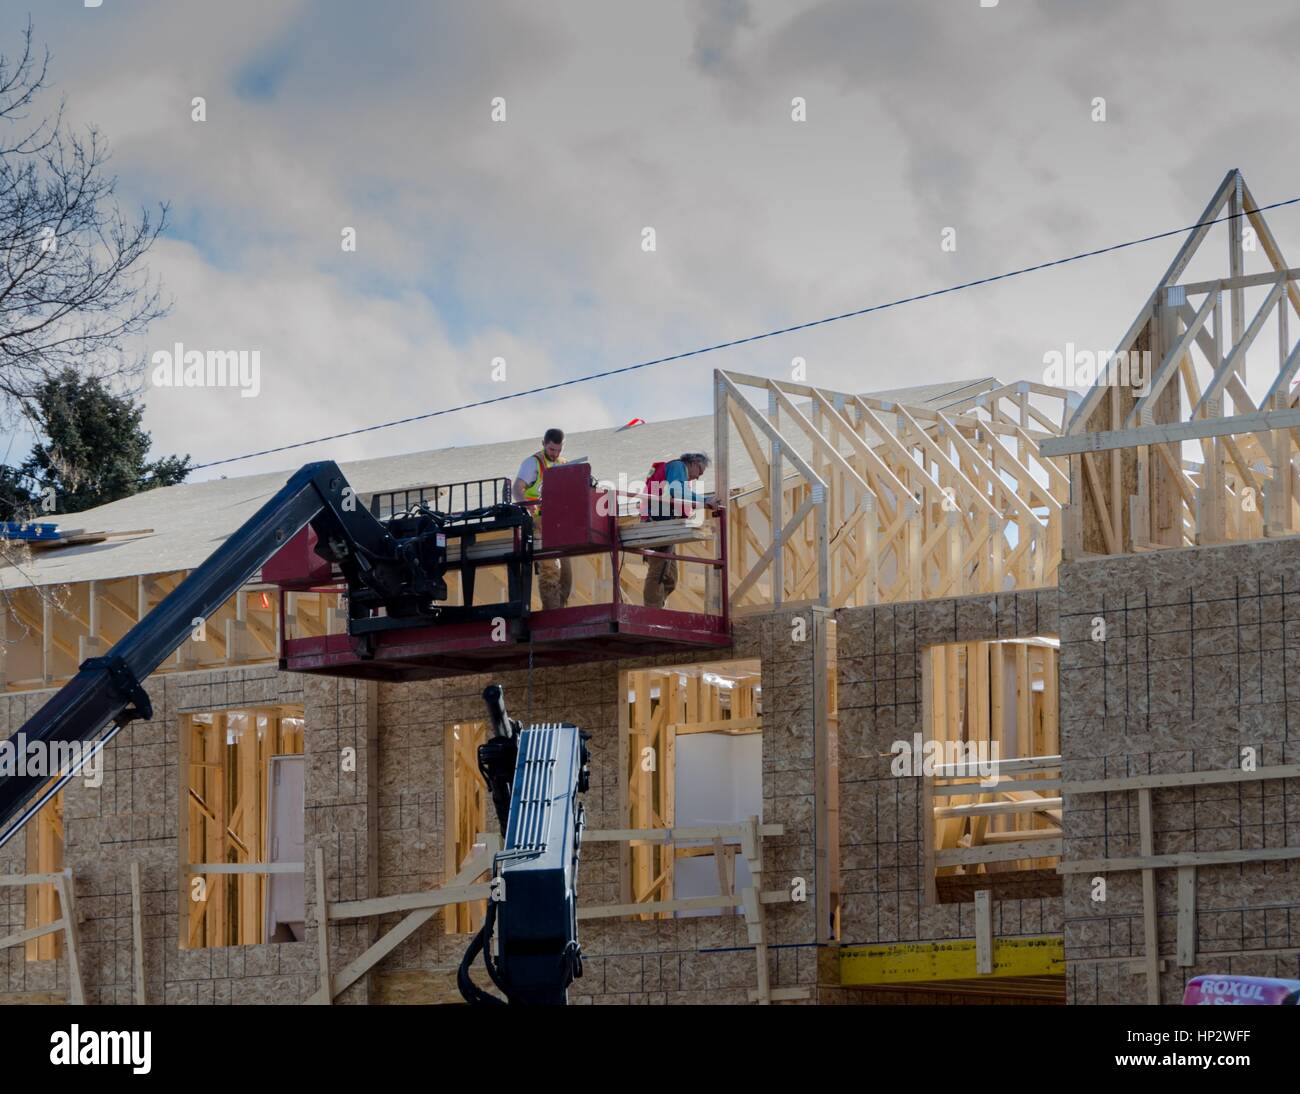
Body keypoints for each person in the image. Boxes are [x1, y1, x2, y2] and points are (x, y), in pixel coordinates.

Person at [641, 452, 710, 608]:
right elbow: (677, 492)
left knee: (671, 577)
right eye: (699, 472)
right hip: (657, 525)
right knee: (658, 572)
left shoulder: (675, 473)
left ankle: (657, 604)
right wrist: (705, 501)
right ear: (693, 463)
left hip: (665, 525)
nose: (697, 477)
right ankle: (652, 609)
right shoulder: (677, 466)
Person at [513, 428, 572, 610]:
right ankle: (552, 612)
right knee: (549, 569)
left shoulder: (564, 463)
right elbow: (517, 488)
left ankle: (559, 608)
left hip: (557, 524)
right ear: (544, 444)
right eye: (552, 449)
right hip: (537, 521)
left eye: (558, 450)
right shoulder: (533, 463)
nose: (555, 454)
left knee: (566, 575)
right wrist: (527, 506)